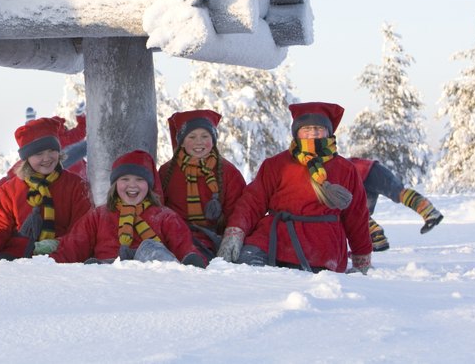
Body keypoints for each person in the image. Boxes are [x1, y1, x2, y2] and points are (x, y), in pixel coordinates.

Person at [217, 102, 373, 274]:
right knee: (246, 268)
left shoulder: (346, 169)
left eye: (318, 128)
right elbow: (252, 202)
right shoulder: (275, 164)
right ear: (296, 132)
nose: (313, 133)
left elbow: (356, 216)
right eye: (307, 129)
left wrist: (362, 256)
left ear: (328, 132)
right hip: (274, 237)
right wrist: (235, 232)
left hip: (322, 245)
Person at [0, 117, 93, 261]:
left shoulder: (76, 186)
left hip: (61, 258)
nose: (47, 158)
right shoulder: (9, 190)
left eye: (52, 150)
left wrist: (57, 244)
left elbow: (83, 229)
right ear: (26, 158)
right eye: (38, 154)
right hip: (16, 259)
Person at [50, 150, 206, 266]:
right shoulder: (99, 216)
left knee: (149, 247)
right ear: (115, 184)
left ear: (149, 185)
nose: (132, 185)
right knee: (96, 266)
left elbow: (184, 246)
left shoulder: (164, 216)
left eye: (139, 179)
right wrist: (50, 264)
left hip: (153, 276)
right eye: (125, 179)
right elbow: (74, 245)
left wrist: (192, 261)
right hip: (111, 275)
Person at [157, 110, 247, 260]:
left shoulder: (228, 172)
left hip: (213, 238)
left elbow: (238, 209)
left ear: (213, 140)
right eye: (191, 137)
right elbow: (158, 208)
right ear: (181, 141)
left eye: (205, 136)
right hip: (175, 237)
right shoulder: (167, 171)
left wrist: (231, 236)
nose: (199, 142)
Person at [349, 157, 443, 251]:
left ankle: (377, 236)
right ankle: (377, 237)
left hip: (367, 173)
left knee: (354, 212)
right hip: (371, 171)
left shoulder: (338, 170)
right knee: (361, 212)